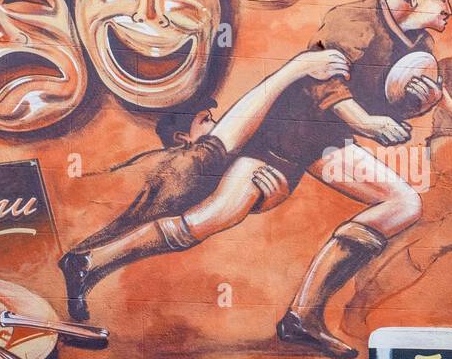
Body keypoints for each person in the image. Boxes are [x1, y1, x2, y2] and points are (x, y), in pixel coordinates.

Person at [241, 0, 452, 359]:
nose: (449, 11)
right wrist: (366, 123)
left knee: (403, 203)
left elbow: (386, 103)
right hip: (287, 130)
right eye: (442, 0)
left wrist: (416, 104)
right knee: (205, 219)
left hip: (327, 140)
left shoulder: (419, 43)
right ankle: (90, 261)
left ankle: (302, 316)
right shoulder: (354, 19)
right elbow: (324, 80)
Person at [57, 47, 350, 320]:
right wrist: (297, 68)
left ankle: (86, 264)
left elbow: (213, 209)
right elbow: (228, 136)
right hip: (85, 201)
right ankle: (85, 264)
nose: (218, 123)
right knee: (211, 154)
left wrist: (265, 197)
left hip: (93, 229)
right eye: (207, 119)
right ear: (182, 138)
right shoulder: (182, 162)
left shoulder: (193, 182)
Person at [343, 20, 452, 333]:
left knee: (431, 246)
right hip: (443, 175)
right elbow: (402, 91)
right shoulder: (443, 69)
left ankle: (361, 305)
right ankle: (356, 299)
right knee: (396, 231)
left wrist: (446, 102)